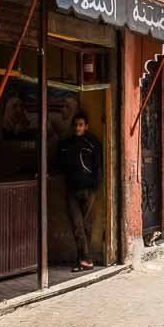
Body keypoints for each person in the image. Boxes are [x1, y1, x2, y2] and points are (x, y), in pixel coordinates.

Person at [57, 112, 103, 272]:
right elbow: (58, 165)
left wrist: (95, 188)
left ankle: (82, 260)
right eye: (76, 124)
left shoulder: (93, 143)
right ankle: (87, 259)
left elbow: (99, 168)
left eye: (81, 125)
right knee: (78, 226)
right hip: (71, 190)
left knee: (87, 226)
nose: (78, 127)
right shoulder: (65, 145)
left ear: (86, 126)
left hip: (89, 190)